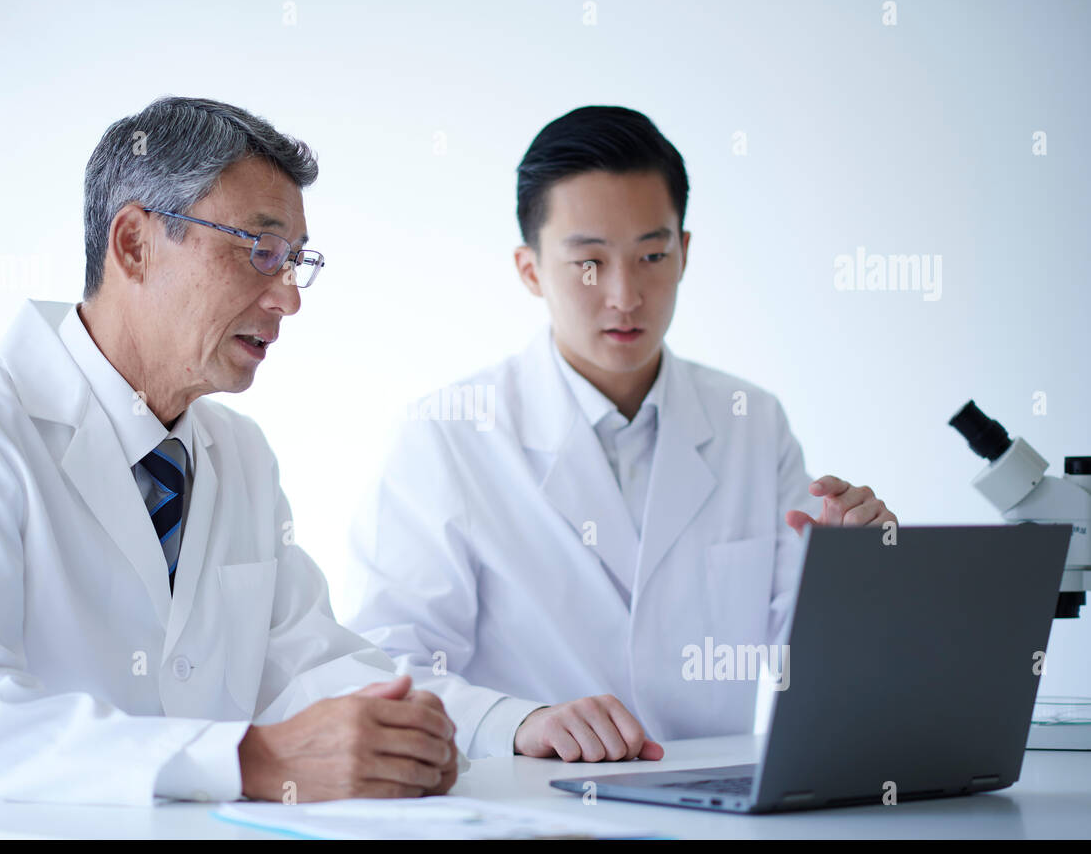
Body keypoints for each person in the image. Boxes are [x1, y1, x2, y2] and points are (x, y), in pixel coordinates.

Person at [0, 97, 459, 835]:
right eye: (260, 250)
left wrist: (473, 727)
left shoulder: (240, 454)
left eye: (295, 261)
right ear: (133, 244)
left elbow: (310, 665)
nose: (288, 296)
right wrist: (249, 760)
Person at [345, 105, 897, 764]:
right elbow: (388, 668)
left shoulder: (752, 421)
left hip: (711, 806)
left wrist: (857, 573)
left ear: (684, 253)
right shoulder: (447, 434)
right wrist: (519, 724)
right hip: (529, 809)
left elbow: (804, 656)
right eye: (588, 263)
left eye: (652, 255)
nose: (625, 295)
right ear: (530, 270)